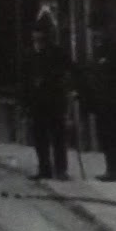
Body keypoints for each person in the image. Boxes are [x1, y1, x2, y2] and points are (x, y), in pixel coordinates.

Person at [82, 12, 116, 182]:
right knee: (105, 136)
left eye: (97, 30)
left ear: (104, 29)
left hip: (111, 101)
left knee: (112, 136)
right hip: (101, 101)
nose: (95, 34)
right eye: (93, 31)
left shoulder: (114, 47)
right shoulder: (99, 47)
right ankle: (110, 169)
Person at [25, 24, 73, 181]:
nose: (38, 42)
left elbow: (68, 71)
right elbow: (23, 78)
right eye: (35, 39)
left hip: (54, 101)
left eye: (41, 39)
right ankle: (44, 169)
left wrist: (51, 80)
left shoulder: (57, 52)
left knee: (58, 137)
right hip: (37, 103)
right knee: (40, 138)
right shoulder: (30, 54)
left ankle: (61, 170)